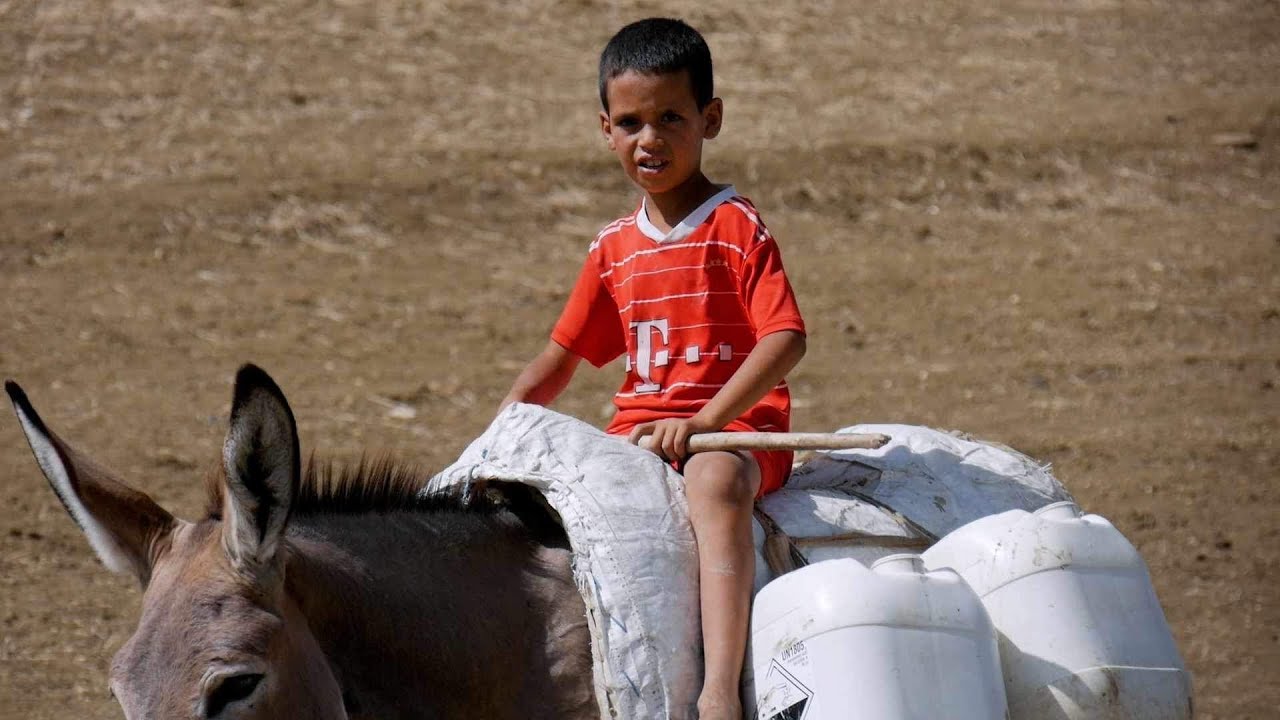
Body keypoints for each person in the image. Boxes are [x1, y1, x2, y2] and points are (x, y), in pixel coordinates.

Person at [500, 17, 806, 719]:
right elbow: (560, 358)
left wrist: (706, 423)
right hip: (635, 439)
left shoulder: (736, 225)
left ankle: (721, 690)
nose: (651, 139)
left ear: (711, 118)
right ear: (606, 129)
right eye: (632, 122)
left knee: (714, 477)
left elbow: (785, 337)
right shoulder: (612, 249)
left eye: (672, 117)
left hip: (733, 431)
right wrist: (506, 429)